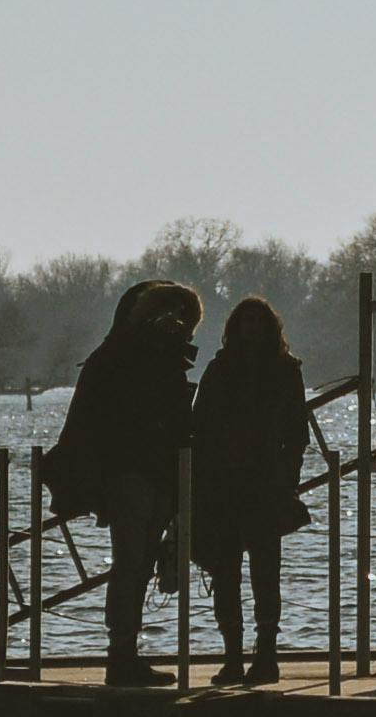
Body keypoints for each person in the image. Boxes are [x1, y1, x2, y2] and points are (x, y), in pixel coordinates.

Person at [42, 279, 201, 680]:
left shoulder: (161, 358)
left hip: (161, 472)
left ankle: (125, 652)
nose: (177, 326)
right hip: (130, 473)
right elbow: (98, 419)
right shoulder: (123, 357)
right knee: (131, 563)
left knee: (140, 562)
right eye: (169, 317)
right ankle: (121, 655)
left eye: (183, 320)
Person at [187, 295, 314, 684]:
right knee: (226, 572)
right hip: (224, 485)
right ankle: (232, 655)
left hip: (265, 484)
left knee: (265, 573)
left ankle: (266, 654)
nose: (253, 329)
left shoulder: (285, 371)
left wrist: (287, 478)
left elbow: (297, 433)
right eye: (247, 322)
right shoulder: (221, 369)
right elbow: (200, 427)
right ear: (236, 328)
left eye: (259, 322)